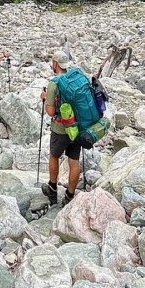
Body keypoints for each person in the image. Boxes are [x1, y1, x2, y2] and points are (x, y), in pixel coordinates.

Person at [42, 52, 81, 205]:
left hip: (60, 128)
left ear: (56, 64)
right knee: (74, 161)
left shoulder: (55, 83)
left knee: (54, 156)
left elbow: (51, 112)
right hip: (76, 128)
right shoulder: (75, 79)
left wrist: (45, 99)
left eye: (53, 63)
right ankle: (69, 196)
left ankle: (52, 189)